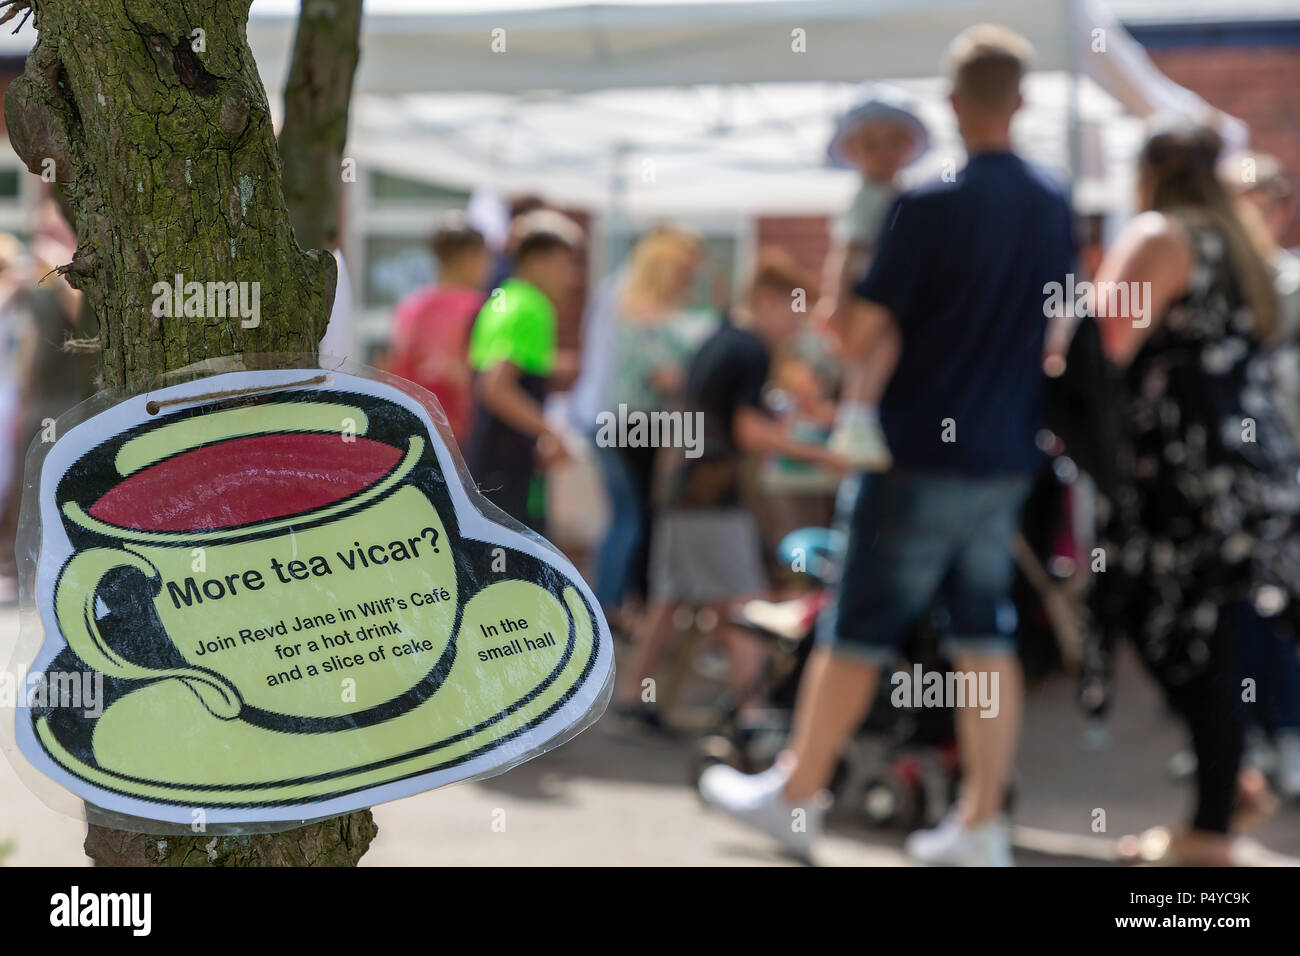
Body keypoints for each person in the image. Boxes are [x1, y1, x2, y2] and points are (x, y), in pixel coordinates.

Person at [700, 25, 1072, 865]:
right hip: (1005, 453)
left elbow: (850, 330)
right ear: (1020, 100)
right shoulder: (1052, 205)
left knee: (857, 628)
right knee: (986, 635)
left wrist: (843, 257)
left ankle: (797, 798)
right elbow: (1055, 328)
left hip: (915, 453)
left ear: (951, 104)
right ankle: (981, 823)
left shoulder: (927, 206)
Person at [1092, 125, 1300, 864]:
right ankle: (1226, 795)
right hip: (1252, 470)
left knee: (1166, 625)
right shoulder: (1241, 242)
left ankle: (1211, 832)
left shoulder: (1162, 235)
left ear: (1148, 175)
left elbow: (1098, 348)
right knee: (1214, 635)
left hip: (1186, 476)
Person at [611, 250, 848, 733]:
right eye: (792, 313)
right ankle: (754, 714)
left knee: (670, 597)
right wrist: (825, 456)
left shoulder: (720, 337)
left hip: (682, 486)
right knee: (746, 597)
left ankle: (633, 701)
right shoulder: (748, 348)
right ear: (765, 300)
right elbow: (747, 431)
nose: (794, 328)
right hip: (710, 493)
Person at [816, 84, 929, 471]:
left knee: (875, 353)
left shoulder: (898, 195)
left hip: (885, 289)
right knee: (876, 349)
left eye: (893, 142)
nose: (883, 154)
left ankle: (857, 419)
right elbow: (844, 252)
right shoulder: (868, 198)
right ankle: (856, 420)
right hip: (869, 288)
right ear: (853, 152)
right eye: (871, 145)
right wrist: (835, 302)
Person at [595, 228, 701, 626]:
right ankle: (622, 605)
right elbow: (668, 377)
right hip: (639, 425)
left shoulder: (639, 309)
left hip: (636, 424)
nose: (688, 280)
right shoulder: (645, 314)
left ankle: (627, 604)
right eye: (683, 271)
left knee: (637, 518)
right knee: (639, 518)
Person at [465, 210, 583, 534]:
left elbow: (486, 373)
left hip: (486, 457)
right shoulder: (533, 307)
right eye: (564, 264)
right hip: (512, 467)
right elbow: (495, 387)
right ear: (537, 261)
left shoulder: (501, 300)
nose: (571, 278)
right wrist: (550, 432)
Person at [387, 214, 490, 441]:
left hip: (413, 427)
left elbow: (397, 366)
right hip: (464, 434)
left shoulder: (409, 306)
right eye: (485, 258)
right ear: (469, 256)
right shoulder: (480, 308)